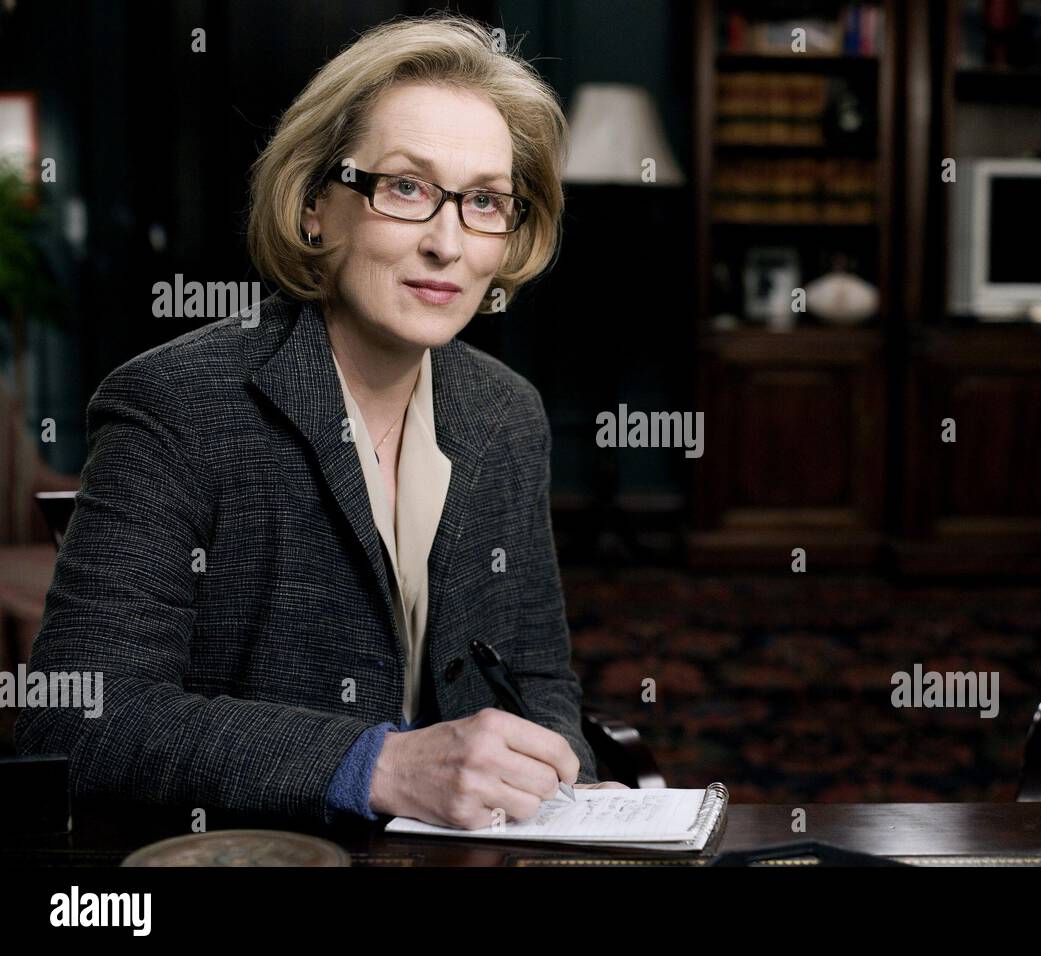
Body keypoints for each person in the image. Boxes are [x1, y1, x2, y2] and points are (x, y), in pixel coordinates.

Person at [17, 13, 626, 828]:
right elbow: (81, 720)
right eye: (406, 187)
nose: (448, 243)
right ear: (313, 206)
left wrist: (556, 772)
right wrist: (379, 766)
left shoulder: (506, 412)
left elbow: (539, 683)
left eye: (484, 201)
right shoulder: (176, 403)